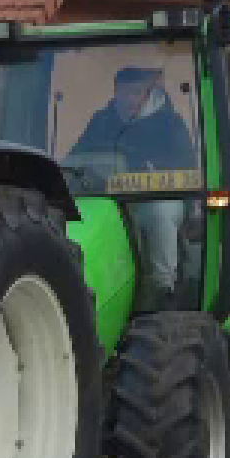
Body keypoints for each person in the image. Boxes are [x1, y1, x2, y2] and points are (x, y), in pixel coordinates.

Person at [67, 66, 198, 309]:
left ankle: (163, 288)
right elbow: (78, 156)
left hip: (153, 197)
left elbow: (186, 167)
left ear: (148, 94)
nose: (128, 99)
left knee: (161, 214)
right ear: (115, 92)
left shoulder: (170, 123)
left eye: (135, 93)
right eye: (123, 93)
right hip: (107, 197)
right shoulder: (101, 121)